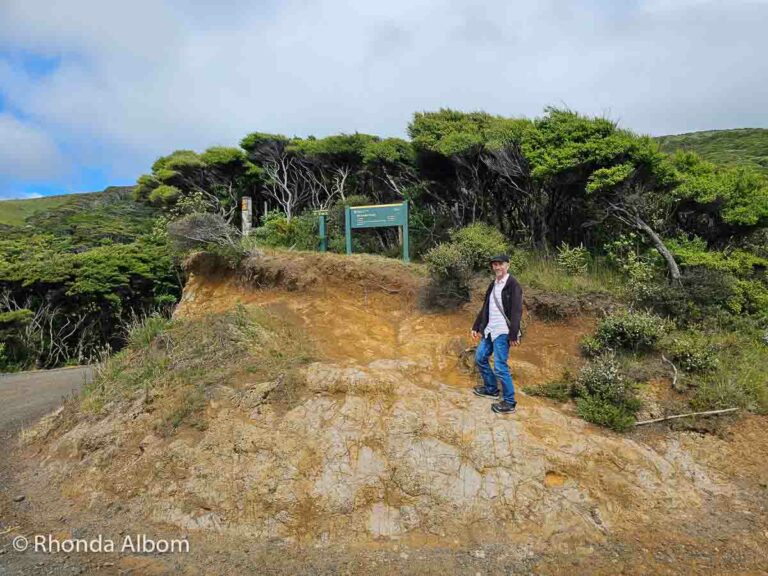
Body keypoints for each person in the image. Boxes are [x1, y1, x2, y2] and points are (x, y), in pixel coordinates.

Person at [470, 254, 523, 415]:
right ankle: (492, 389)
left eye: (500, 264)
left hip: (503, 332)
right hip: (489, 329)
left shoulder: (513, 284)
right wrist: (476, 326)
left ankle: (509, 402)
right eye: (494, 265)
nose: (497, 267)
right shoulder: (493, 284)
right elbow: (485, 306)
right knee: (480, 357)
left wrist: (513, 334)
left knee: (500, 367)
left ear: (507, 265)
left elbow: (516, 311)